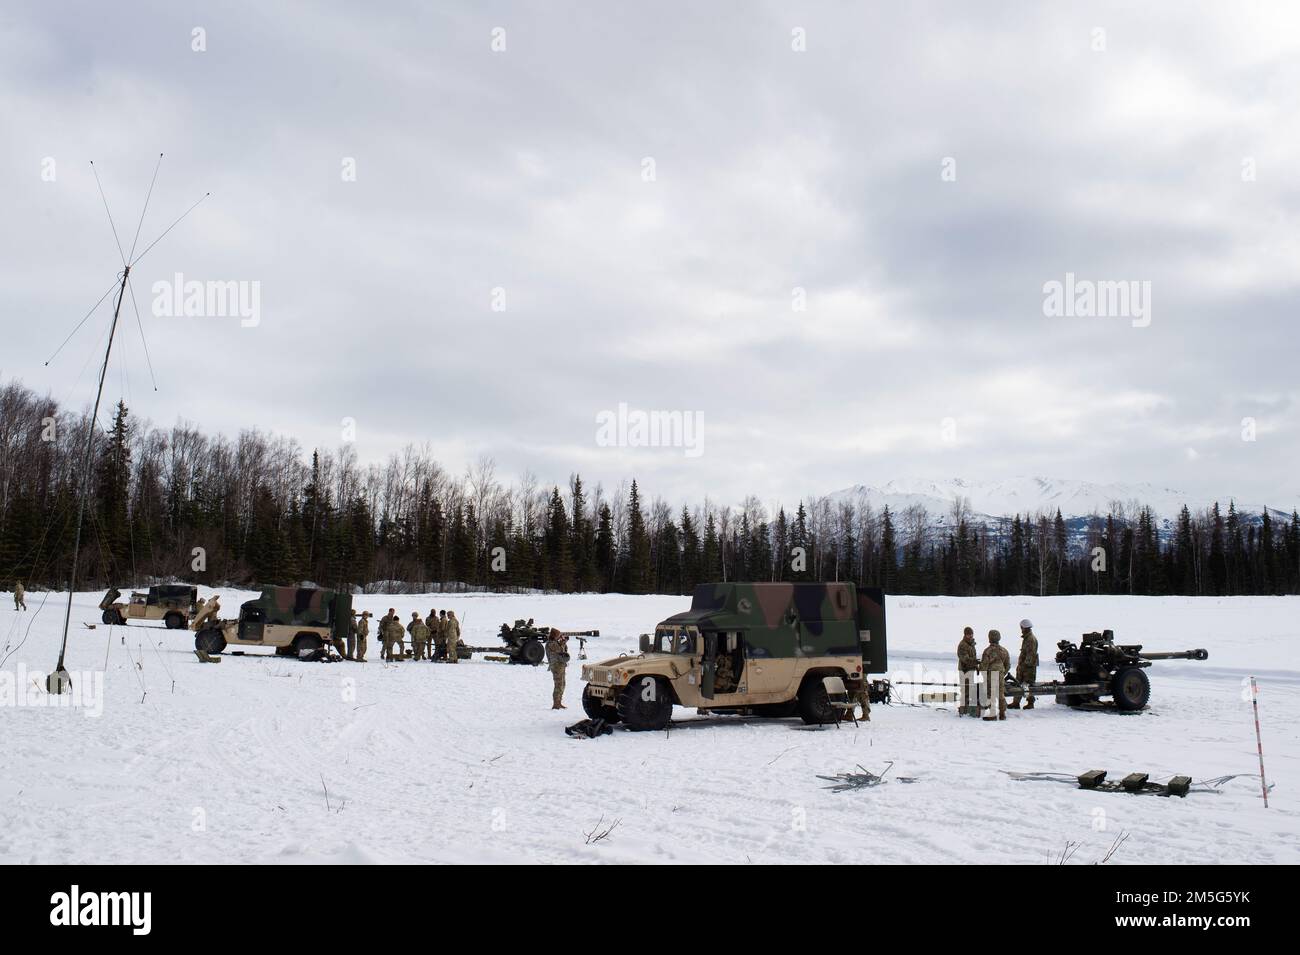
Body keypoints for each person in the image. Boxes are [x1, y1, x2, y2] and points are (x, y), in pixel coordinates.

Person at [980, 629, 1010, 721]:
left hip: (991, 675)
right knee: (1001, 694)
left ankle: (993, 714)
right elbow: (1007, 665)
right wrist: (1002, 673)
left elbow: (984, 666)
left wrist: (984, 675)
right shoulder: (1004, 650)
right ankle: (1002, 714)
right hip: (1000, 675)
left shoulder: (987, 651)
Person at [1010, 619, 1039, 710]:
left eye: (1021, 628)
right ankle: (1016, 702)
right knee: (1019, 684)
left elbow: (1030, 655)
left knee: (1026, 686)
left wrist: (1024, 667)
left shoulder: (1030, 639)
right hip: (1024, 667)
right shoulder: (1027, 638)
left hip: (1027, 669)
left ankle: (1030, 702)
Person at [957, 626, 980, 717]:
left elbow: (972, 657)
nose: (970, 636)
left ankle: (968, 707)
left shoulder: (971, 644)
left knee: (970, 689)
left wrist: (976, 666)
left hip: (971, 670)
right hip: (964, 670)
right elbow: (965, 659)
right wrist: (975, 662)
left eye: (971, 634)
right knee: (965, 690)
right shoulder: (962, 645)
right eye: (968, 634)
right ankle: (963, 708)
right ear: (965, 635)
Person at [546, 628, 569, 709]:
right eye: (558, 635)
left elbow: (564, 652)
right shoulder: (551, 644)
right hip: (556, 666)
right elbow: (559, 650)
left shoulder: (555, 643)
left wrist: (563, 643)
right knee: (558, 685)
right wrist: (563, 642)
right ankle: (556, 703)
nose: (559, 637)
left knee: (562, 684)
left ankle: (559, 702)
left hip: (560, 665)